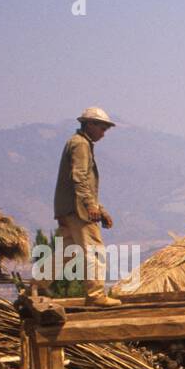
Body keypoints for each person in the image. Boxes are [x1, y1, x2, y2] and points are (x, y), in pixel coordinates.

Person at [53, 106, 120, 307]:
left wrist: (102, 209)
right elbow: (80, 177)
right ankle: (96, 295)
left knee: (67, 253)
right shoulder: (81, 145)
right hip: (79, 211)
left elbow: (84, 182)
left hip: (68, 209)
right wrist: (91, 206)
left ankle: (35, 287)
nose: (103, 133)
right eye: (102, 128)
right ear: (90, 124)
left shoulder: (79, 143)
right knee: (95, 250)